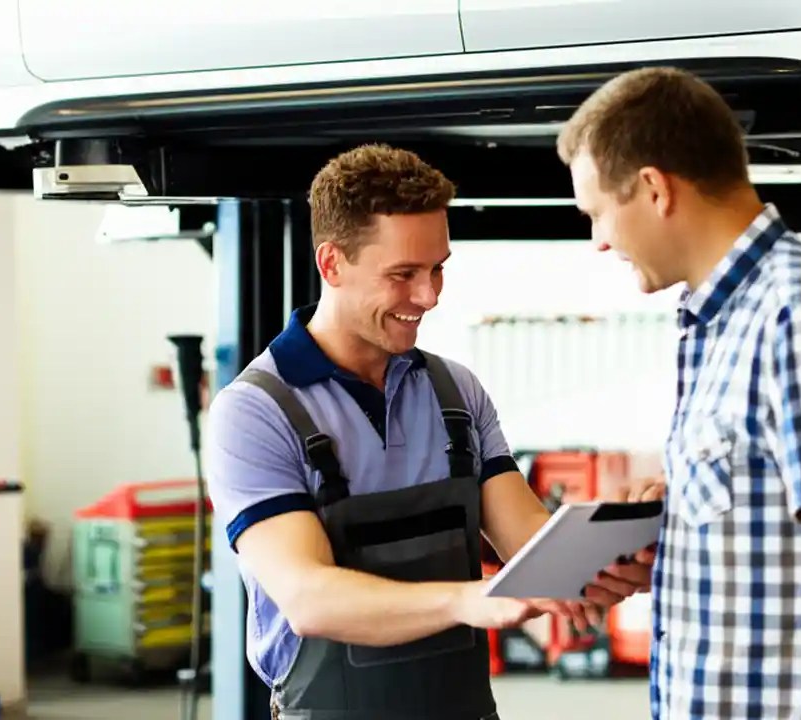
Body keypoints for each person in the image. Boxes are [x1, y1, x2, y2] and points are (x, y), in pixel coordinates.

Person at [205, 144, 655, 720]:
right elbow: (308, 599)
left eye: (438, 267)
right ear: (331, 264)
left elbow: (531, 549)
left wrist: (611, 553)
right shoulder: (256, 412)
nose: (429, 296)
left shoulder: (455, 395)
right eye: (403, 275)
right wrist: (476, 600)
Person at [557, 66, 801, 720]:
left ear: (653, 189)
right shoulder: (721, 322)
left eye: (597, 214)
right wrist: (681, 542)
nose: (599, 241)